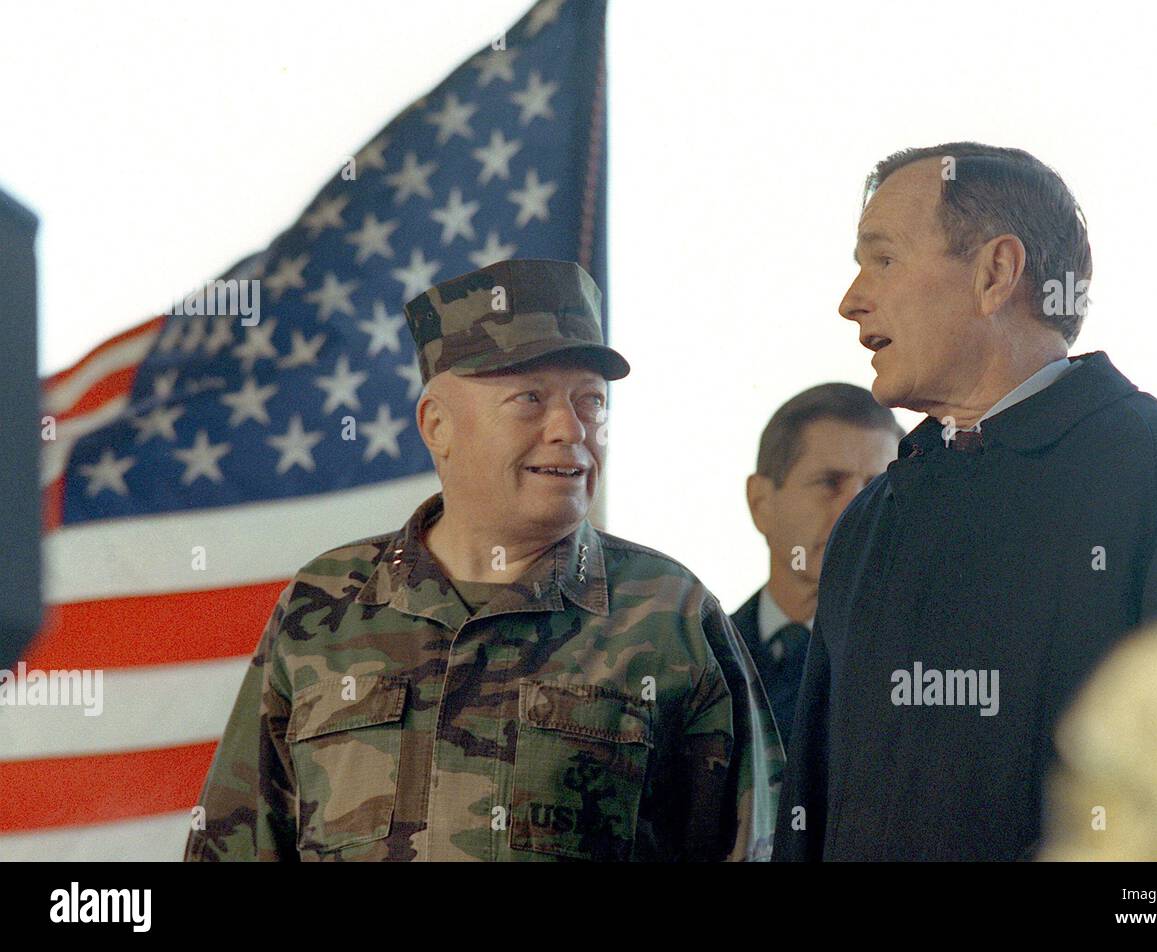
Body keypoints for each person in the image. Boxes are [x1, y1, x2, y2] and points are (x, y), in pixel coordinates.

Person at [774, 143, 1157, 862]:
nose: (852, 299)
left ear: (995, 273)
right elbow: (811, 805)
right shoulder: (868, 518)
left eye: (883, 259)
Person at [185, 258, 782, 862]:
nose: (569, 429)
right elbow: (233, 846)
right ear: (437, 425)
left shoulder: (669, 615)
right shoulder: (325, 605)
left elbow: (757, 846)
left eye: (591, 402)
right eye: (529, 399)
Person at [732, 383, 900, 744]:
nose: (856, 512)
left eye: (877, 489)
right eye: (829, 483)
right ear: (761, 501)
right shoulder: (704, 658)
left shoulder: (925, 668)